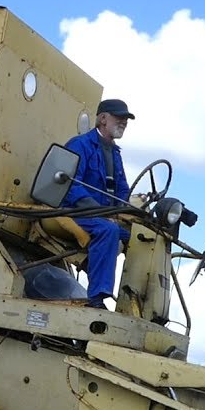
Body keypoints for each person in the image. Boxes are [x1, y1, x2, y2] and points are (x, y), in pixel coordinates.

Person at [62, 98, 135, 308]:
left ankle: (134, 301)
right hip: (78, 211)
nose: (124, 122)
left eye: (126, 119)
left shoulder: (115, 153)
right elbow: (72, 186)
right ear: (103, 118)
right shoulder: (80, 144)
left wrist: (130, 212)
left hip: (104, 215)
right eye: (119, 117)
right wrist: (101, 212)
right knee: (108, 231)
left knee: (141, 238)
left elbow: (122, 191)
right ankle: (97, 297)